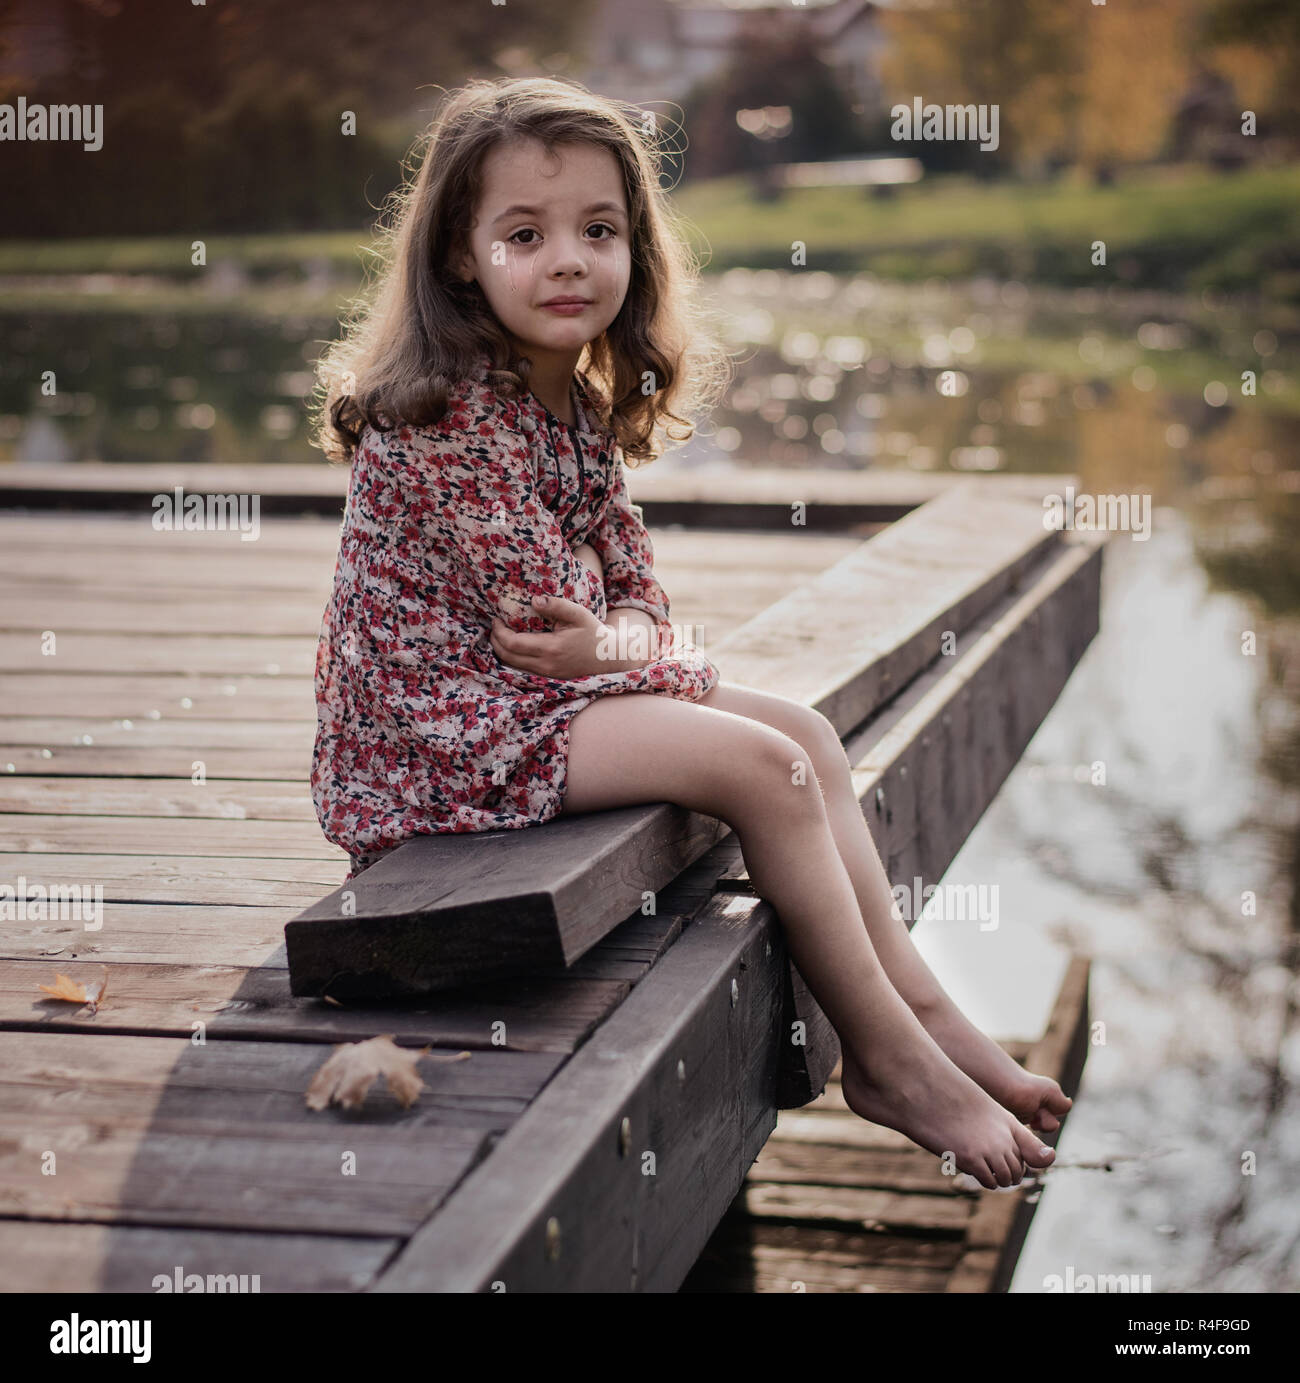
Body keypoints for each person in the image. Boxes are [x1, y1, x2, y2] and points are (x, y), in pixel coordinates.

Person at [310, 76, 1069, 1190]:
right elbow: (563, 635)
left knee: (805, 731)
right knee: (762, 767)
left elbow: (632, 604)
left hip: (527, 701)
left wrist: (626, 644)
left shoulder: (566, 395)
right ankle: (886, 1059)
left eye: (598, 230)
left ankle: (921, 1010)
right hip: (434, 744)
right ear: (461, 258)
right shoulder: (456, 417)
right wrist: (630, 649)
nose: (568, 259)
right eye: (525, 234)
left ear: (636, 249)